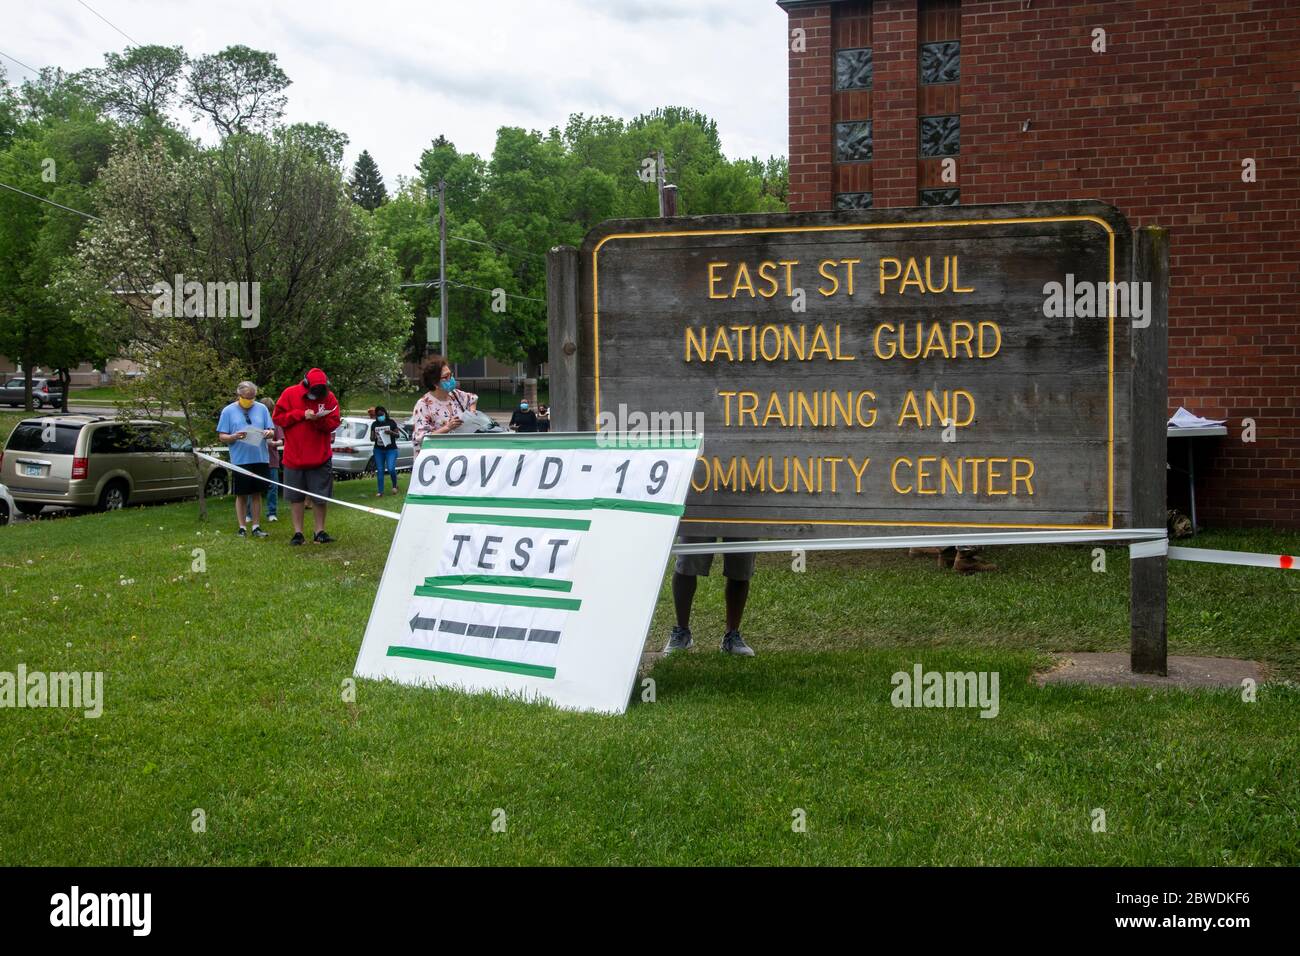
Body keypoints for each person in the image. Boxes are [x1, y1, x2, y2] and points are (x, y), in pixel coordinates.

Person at [273, 367, 342, 545]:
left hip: (320, 457)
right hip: (294, 457)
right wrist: (301, 415)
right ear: (306, 385)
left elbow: (334, 422)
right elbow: (278, 418)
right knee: (295, 497)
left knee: (320, 496)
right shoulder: (290, 394)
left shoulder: (330, 397)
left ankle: (319, 531)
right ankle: (298, 533)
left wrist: (319, 420)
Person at [665, 538, 756, 656]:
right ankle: (682, 633)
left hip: (743, 519)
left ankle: (732, 637)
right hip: (697, 520)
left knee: (741, 566)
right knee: (686, 562)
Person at [217, 381, 275, 539]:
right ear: (239, 395)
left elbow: (271, 430)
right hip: (240, 459)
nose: (249, 400)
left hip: (260, 458)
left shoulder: (262, 409)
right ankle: (242, 527)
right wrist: (234, 436)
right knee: (241, 494)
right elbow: (222, 436)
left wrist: (268, 433)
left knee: (257, 493)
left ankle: (256, 526)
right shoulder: (228, 411)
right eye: (246, 397)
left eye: (252, 397)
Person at [410, 355, 479, 444]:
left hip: (459, 452)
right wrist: (447, 428)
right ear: (435, 383)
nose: (450, 379)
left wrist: (472, 413)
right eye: (446, 377)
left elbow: (472, 398)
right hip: (438, 455)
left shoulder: (455, 394)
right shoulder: (424, 404)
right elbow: (421, 438)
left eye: (450, 375)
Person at [245, 397, 283, 524]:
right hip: (256, 459)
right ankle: (249, 514)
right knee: (252, 488)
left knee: (272, 487)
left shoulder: (275, 423)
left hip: (272, 460)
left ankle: (272, 513)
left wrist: (273, 443)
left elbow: (281, 441)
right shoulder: (253, 422)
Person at [370, 404, 401, 497]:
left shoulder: (391, 422)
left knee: (391, 468)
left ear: (385, 414)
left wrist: (391, 432)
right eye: (378, 415)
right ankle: (380, 491)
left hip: (391, 449)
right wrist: (374, 436)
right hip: (378, 450)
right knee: (380, 470)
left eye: (381, 415)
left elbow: (398, 435)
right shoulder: (374, 424)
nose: (380, 417)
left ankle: (395, 485)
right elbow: (371, 438)